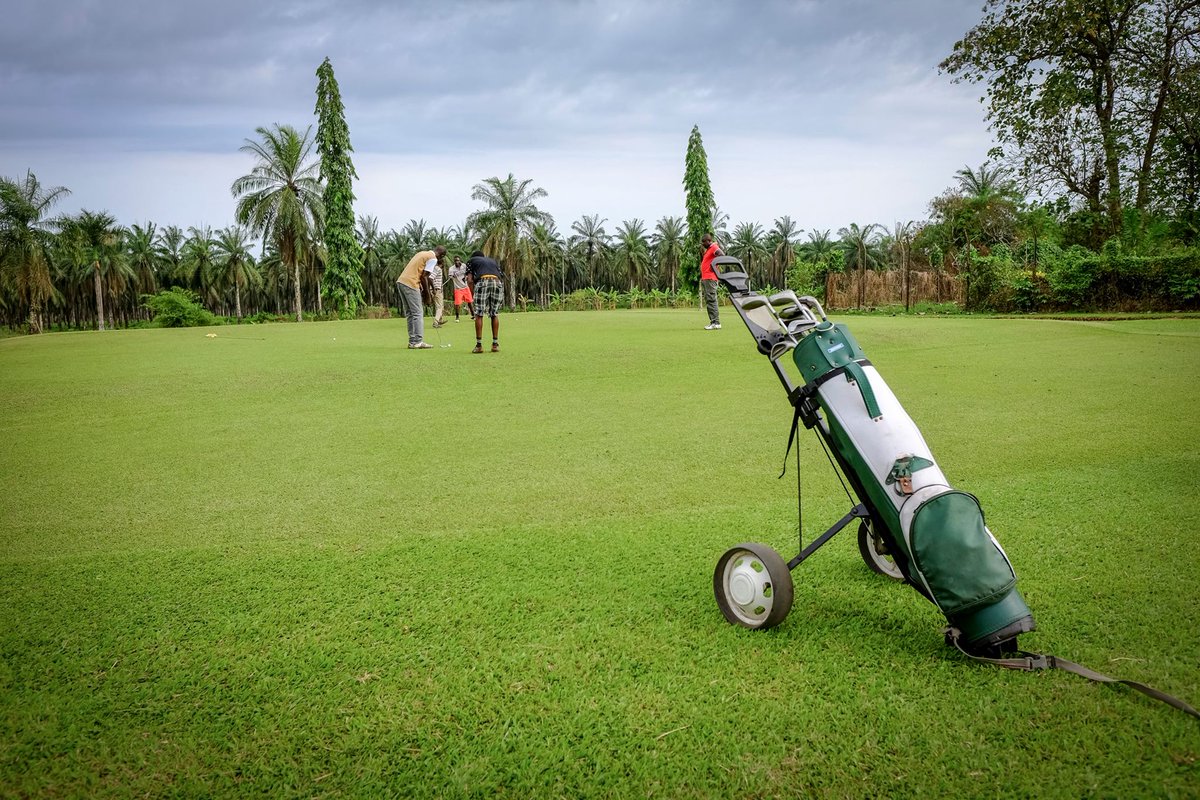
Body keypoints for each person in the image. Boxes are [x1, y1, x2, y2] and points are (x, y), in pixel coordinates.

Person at [396, 245, 446, 349]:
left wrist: (423, 291)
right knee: (418, 313)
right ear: (441, 256)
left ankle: (412, 341)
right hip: (411, 283)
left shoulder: (422, 253)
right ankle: (418, 342)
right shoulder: (433, 258)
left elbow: (421, 274)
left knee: (410, 313)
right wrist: (428, 296)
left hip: (401, 281)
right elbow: (424, 276)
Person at [466, 249, 504, 353]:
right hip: (497, 282)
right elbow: (500, 275)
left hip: (483, 281)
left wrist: (473, 294)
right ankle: (495, 344)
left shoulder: (471, 261)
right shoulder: (492, 261)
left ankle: (479, 346)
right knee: (494, 313)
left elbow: (469, 280)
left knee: (479, 313)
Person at [699, 233, 724, 330]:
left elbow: (722, 255)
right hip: (706, 278)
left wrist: (713, 268)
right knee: (709, 300)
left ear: (708, 241)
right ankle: (714, 322)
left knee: (712, 300)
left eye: (703, 242)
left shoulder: (713, 247)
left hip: (710, 278)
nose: (702, 244)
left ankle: (716, 322)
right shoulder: (709, 249)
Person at [423, 252, 447, 328]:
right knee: (439, 307)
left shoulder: (433, 268)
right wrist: (433, 288)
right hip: (436, 290)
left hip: (435, 289)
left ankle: (439, 320)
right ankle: (436, 322)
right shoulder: (438, 269)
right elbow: (430, 278)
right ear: (442, 263)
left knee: (439, 306)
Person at [448, 255, 474, 321]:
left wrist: (466, 276)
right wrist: (453, 276)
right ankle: (457, 317)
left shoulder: (464, 266)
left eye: (458, 260)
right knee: (457, 304)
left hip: (465, 287)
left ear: (460, 260)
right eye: (456, 261)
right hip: (458, 288)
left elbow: (467, 272)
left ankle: (473, 315)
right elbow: (450, 276)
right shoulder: (451, 268)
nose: (457, 262)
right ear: (454, 261)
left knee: (470, 302)